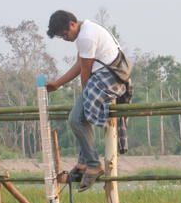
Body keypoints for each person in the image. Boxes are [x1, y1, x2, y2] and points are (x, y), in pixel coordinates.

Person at [45, 10, 130, 192]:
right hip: (107, 75)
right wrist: (58, 84)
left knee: (75, 119)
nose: (66, 38)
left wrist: (85, 98)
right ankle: (83, 164)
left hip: (110, 76)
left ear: (72, 24)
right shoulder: (86, 31)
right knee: (81, 118)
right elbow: (80, 65)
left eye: (65, 34)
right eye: (62, 37)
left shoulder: (86, 37)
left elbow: (85, 70)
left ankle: (93, 164)